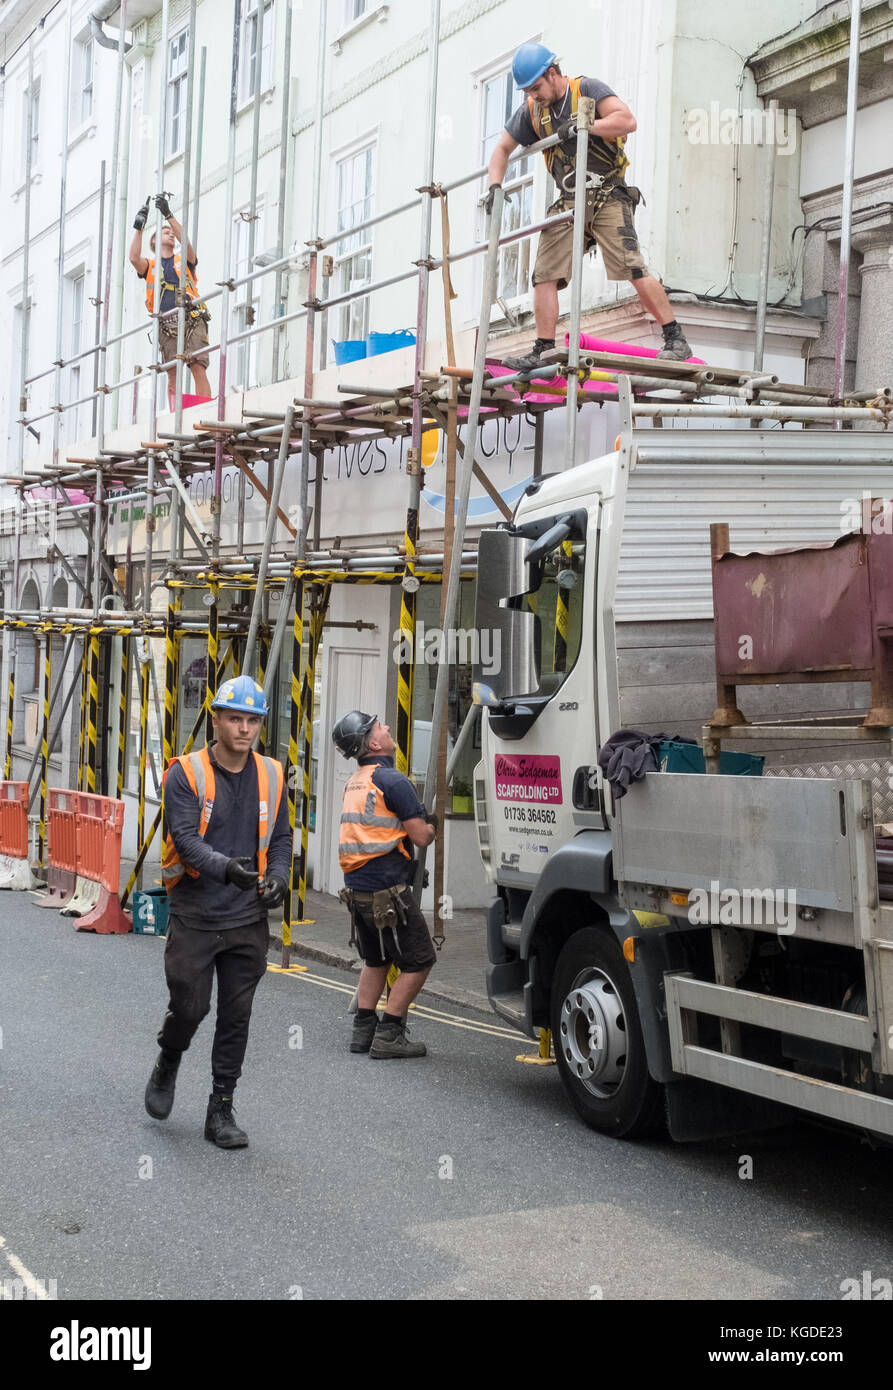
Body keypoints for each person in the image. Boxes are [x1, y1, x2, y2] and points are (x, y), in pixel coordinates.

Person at [144, 674, 289, 1148]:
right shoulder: (186, 772)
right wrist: (228, 869)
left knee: (236, 1014)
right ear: (216, 720)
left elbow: (282, 838)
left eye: (253, 720)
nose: (244, 729)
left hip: (247, 918)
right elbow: (184, 840)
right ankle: (169, 1057)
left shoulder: (271, 772)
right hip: (196, 913)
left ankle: (220, 1108)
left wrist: (280, 880)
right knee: (190, 1005)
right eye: (235, 718)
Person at [486, 43, 693, 372]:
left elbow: (627, 120)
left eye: (537, 88)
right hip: (569, 200)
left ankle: (675, 338)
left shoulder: (587, 89)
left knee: (633, 266)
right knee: (544, 274)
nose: (534, 96)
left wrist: (587, 126)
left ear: (552, 73)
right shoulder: (531, 111)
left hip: (607, 193)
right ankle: (542, 347)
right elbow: (501, 149)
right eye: (528, 91)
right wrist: (495, 187)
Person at [332, 711, 437, 1059]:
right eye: (380, 727)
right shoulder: (393, 781)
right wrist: (430, 827)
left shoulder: (356, 781)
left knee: (376, 959)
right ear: (374, 743)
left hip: (358, 890)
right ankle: (390, 1032)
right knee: (419, 959)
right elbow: (421, 836)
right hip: (386, 891)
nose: (388, 728)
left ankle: (363, 1031)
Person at [128, 193, 213, 409]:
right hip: (167, 325)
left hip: (192, 318)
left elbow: (185, 241)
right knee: (172, 374)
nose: (171, 234)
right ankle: (176, 414)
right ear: (154, 240)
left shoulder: (183, 259)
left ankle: (202, 409)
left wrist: (168, 215)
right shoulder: (150, 265)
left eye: (171, 232)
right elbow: (133, 258)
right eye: (165, 231)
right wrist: (139, 227)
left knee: (198, 367)